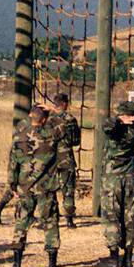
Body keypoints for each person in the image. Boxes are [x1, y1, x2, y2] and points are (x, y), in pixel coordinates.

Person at [9, 105, 62, 267]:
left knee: (21, 223)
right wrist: (53, 109)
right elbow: (64, 125)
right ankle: (52, 265)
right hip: (46, 187)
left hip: (24, 186)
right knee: (50, 222)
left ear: (31, 116)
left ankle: (17, 265)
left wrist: (12, 184)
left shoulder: (19, 135)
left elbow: (12, 164)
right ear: (45, 119)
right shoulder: (51, 135)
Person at [100, 98, 134, 267]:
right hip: (129, 178)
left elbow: (106, 125)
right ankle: (129, 257)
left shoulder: (114, 130)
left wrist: (121, 120)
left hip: (112, 179)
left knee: (111, 216)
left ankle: (114, 257)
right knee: (129, 217)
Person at [46, 93, 82, 228]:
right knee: (68, 189)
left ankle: (51, 217)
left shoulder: (47, 119)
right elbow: (76, 141)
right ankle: (69, 219)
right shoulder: (70, 119)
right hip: (66, 158)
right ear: (65, 104)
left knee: (49, 190)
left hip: (49, 159)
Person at [0, 115, 32, 225]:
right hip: (21, 158)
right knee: (19, 187)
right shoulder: (28, 124)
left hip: (21, 158)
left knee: (14, 188)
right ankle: (19, 215)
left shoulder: (23, 123)